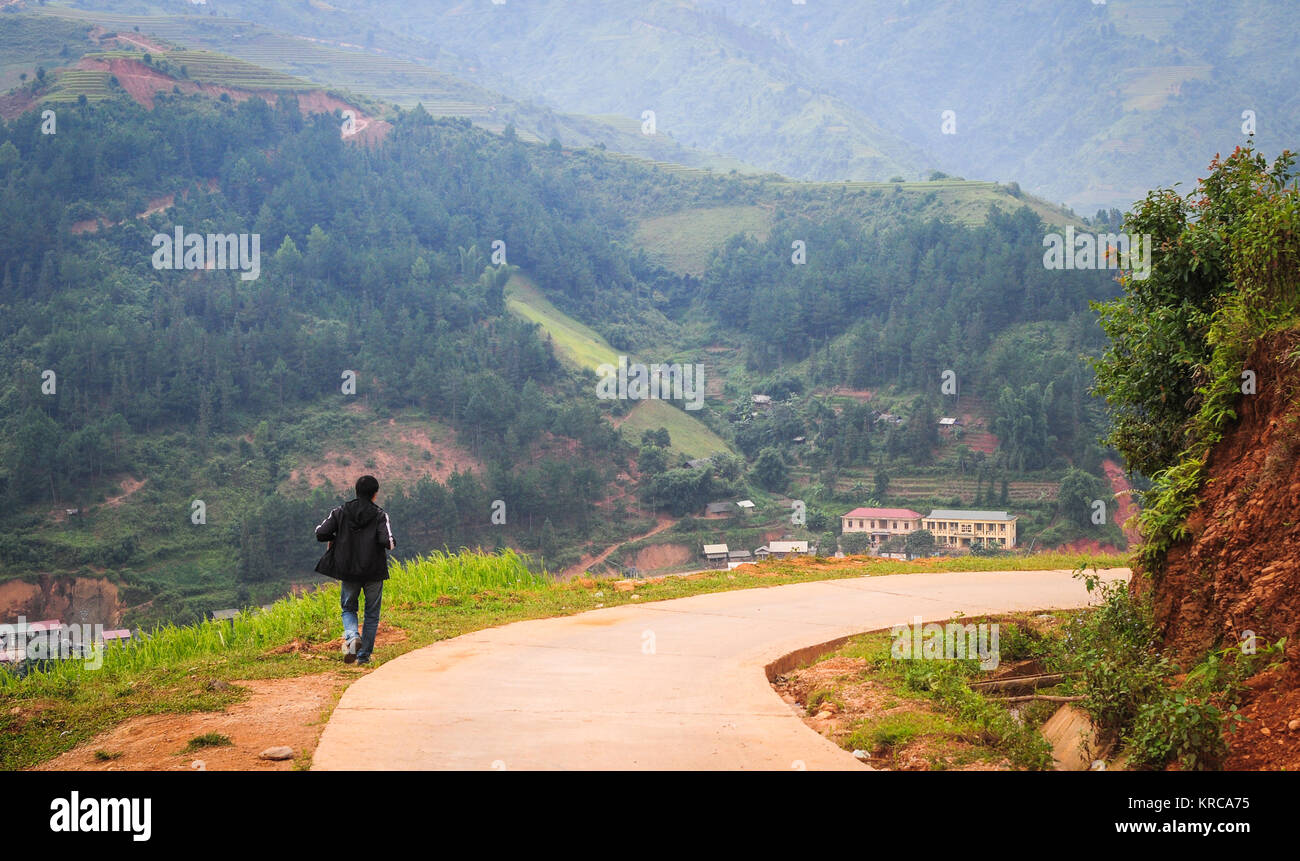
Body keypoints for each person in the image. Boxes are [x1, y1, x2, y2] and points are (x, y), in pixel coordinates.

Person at [314, 475, 396, 665]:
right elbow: (389, 543)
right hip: (374, 572)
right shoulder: (380, 515)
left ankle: (351, 638)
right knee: (372, 614)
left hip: (349, 570)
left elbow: (320, 532)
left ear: (356, 491)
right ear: (375, 494)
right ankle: (362, 657)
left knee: (348, 608)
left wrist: (339, 535)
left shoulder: (340, 511)